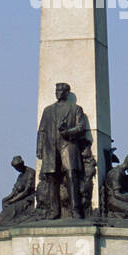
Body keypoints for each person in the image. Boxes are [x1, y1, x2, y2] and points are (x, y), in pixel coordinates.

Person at [36, 82, 90, 218]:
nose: (57, 92)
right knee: (52, 179)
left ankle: (76, 210)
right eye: (56, 90)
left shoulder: (75, 109)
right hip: (50, 148)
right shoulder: (48, 110)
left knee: (72, 177)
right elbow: (42, 130)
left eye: (61, 90)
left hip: (68, 145)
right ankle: (54, 211)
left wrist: (68, 132)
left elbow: (81, 127)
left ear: (67, 92)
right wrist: (39, 148)